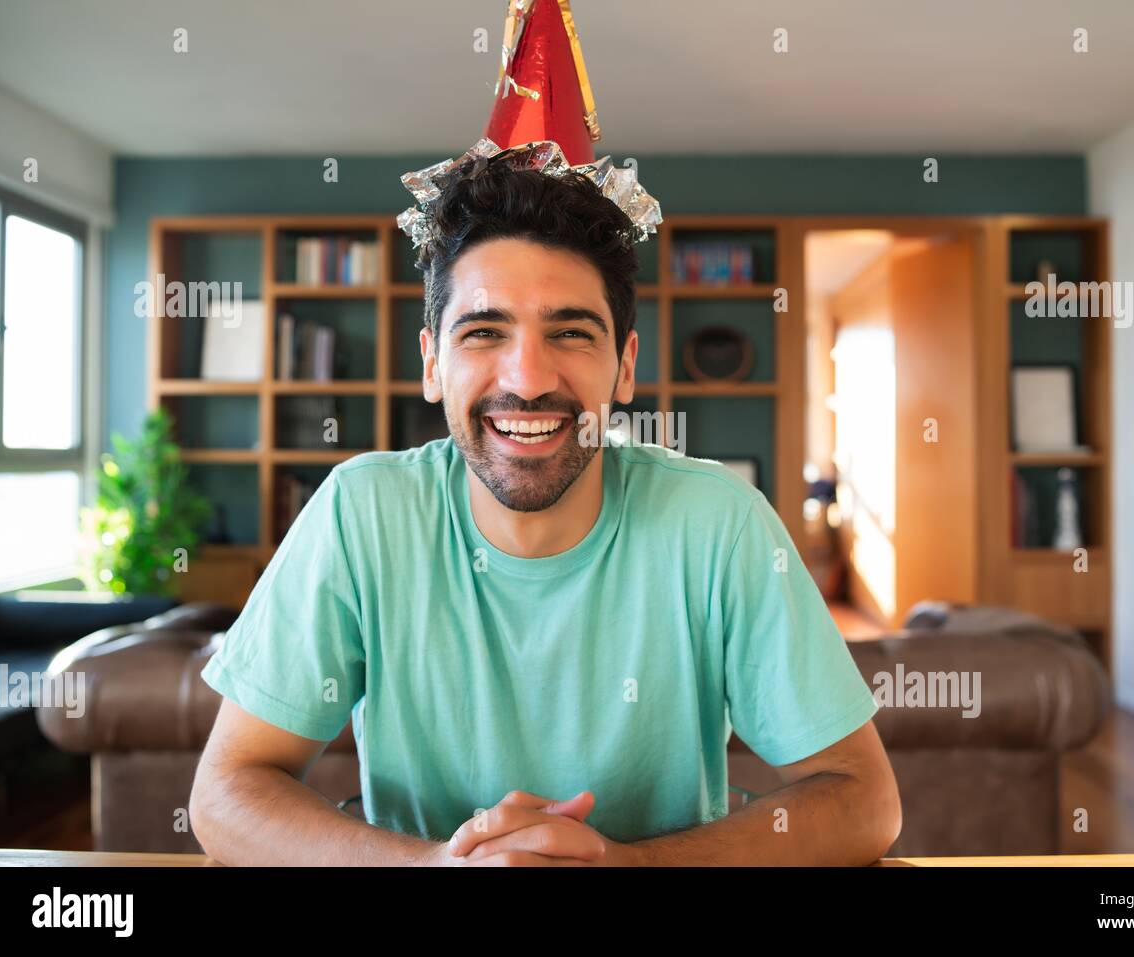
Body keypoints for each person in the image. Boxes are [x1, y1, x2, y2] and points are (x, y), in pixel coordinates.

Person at [189, 157, 901, 866]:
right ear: (433, 363)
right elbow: (225, 793)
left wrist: (632, 866)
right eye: (484, 332)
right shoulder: (358, 514)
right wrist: (435, 869)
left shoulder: (721, 523)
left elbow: (864, 798)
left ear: (623, 366)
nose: (527, 379)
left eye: (570, 333)